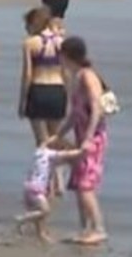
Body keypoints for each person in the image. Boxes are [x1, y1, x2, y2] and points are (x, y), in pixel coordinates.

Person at [45, 36, 109, 246]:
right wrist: (60, 135)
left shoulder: (87, 77)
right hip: (82, 135)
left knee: (85, 185)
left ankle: (98, 228)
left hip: (93, 138)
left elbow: (96, 109)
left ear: (68, 56)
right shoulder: (77, 76)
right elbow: (75, 114)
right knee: (79, 182)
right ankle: (85, 229)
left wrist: (89, 138)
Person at [18, 6, 68, 147]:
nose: (26, 29)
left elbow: (27, 74)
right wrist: (69, 96)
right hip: (58, 91)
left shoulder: (29, 43)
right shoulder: (62, 43)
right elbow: (66, 72)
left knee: (41, 141)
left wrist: (23, 101)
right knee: (54, 138)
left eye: (27, 25)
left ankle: (43, 168)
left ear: (34, 23)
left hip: (38, 90)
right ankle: (57, 169)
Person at [16, 145, 84, 243]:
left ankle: (41, 234)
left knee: (39, 215)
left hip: (28, 187)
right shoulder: (49, 154)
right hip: (36, 188)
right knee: (45, 211)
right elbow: (67, 155)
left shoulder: (39, 153)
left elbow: (60, 161)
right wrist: (83, 151)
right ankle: (22, 219)